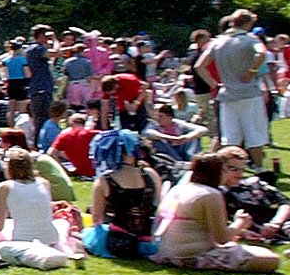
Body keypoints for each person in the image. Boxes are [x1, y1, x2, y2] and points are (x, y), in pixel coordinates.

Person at [154, 153, 280, 273]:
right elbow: (222, 239)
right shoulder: (210, 194)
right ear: (217, 172)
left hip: (165, 253)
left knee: (259, 251)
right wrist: (240, 223)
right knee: (271, 260)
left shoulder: (179, 189)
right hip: (191, 257)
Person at [205, 8, 270, 166]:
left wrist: (214, 83)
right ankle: (259, 169)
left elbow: (200, 65)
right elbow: (262, 53)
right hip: (249, 93)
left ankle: (231, 171)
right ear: (247, 23)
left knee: (230, 138)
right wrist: (251, 71)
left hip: (227, 94)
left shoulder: (218, 41)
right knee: (254, 136)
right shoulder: (250, 39)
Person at [88, 130, 162, 258]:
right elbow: (159, 207)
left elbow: (96, 218)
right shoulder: (150, 174)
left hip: (119, 242)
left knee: (88, 233)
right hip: (149, 241)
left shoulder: (104, 181)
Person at [218, 145, 290, 244]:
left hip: (280, 222)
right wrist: (243, 232)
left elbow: (285, 202)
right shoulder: (217, 194)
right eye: (234, 169)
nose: (239, 173)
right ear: (220, 168)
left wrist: (276, 223)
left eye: (242, 169)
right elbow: (219, 225)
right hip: (262, 230)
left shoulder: (254, 183)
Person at [0, 148, 61, 246]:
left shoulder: (4, 187)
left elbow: (0, 226)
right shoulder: (44, 183)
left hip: (23, 240)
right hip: (51, 238)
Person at [144, 104, 208, 162]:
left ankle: (191, 158)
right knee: (157, 141)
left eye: (161, 116)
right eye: (157, 116)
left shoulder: (179, 124)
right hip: (168, 151)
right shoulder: (154, 124)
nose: (158, 118)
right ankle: (178, 161)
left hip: (182, 148)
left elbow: (203, 129)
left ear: (170, 117)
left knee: (194, 137)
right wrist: (172, 138)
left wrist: (188, 137)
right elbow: (147, 133)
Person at [25, 25, 56, 145]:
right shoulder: (36, 49)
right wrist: (54, 39)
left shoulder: (32, 49)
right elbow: (56, 53)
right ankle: (38, 144)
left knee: (41, 118)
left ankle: (38, 143)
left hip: (40, 87)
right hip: (40, 88)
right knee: (42, 118)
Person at [48, 113, 99, 178]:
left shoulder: (64, 136)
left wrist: (65, 171)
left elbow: (50, 154)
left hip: (81, 172)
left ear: (71, 123)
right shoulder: (96, 134)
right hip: (99, 171)